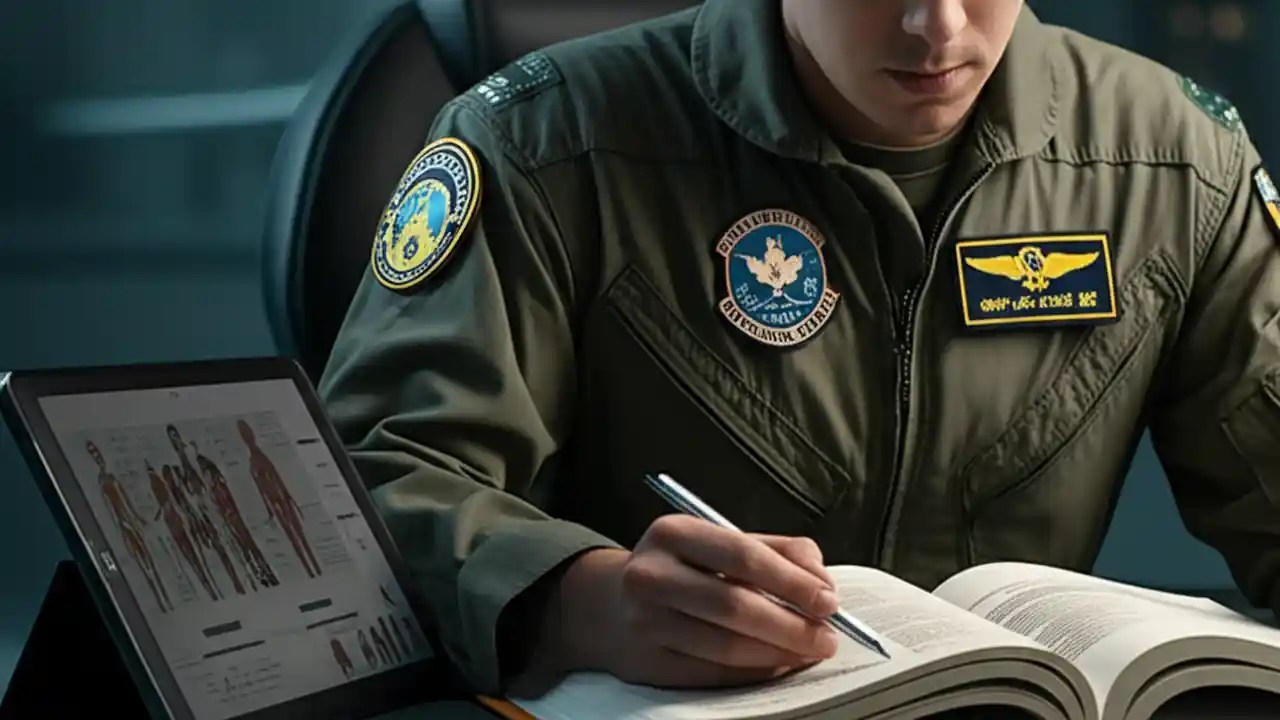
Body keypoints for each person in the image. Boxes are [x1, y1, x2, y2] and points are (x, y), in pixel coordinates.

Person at [317, 0, 1280, 698]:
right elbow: (375, 483)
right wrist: (578, 605)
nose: (937, 27)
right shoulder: (546, 141)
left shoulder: (1176, 159)